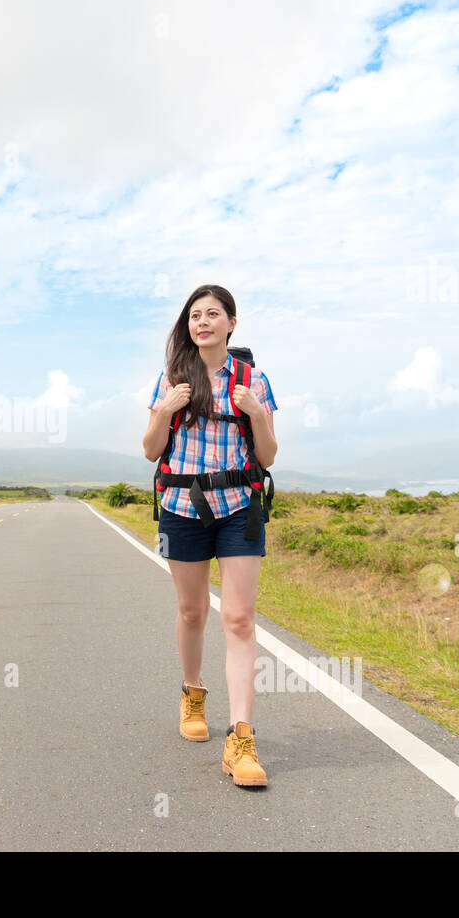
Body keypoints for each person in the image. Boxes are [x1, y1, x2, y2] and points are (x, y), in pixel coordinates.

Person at [141, 284, 278, 786]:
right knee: (193, 611)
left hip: (240, 509)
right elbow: (151, 451)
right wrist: (165, 410)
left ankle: (241, 740)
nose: (203, 322)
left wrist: (258, 414)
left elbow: (267, 455)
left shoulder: (253, 379)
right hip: (181, 508)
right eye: (195, 315)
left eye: (213, 314)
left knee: (239, 618)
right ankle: (192, 696)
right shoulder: (172, 378)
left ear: (231, 324)